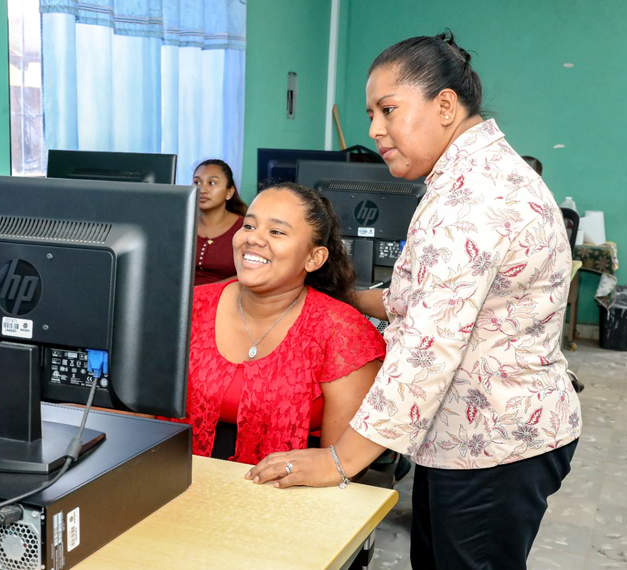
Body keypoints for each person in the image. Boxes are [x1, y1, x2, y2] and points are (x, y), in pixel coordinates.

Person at [246, 33, 582, 570]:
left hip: (492, 446)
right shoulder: (465, 178)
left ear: (445, 106)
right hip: (467, 437)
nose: (375, 130)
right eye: (371, 113)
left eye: (388, 110)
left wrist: (340, 461)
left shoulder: (473, 198)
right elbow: (420, 302)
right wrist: (347, 297)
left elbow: (427, 350)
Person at [169, 182, 385, 464]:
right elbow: (138, 417)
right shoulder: (188, 307)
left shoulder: (342, 331)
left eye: (276, 231)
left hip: (286, 497)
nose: (253, 239)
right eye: (248, 226)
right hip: (173, 484)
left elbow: (340, 466)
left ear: (314, 258)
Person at [192, 159, 248, 286]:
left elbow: (248, 274)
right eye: (197, 182)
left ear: (229, 192)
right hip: (180, 298)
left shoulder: (244, 229)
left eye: (211, 183)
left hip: (226, 300)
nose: (202, 189)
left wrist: (204, 292)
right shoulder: (182, 223)